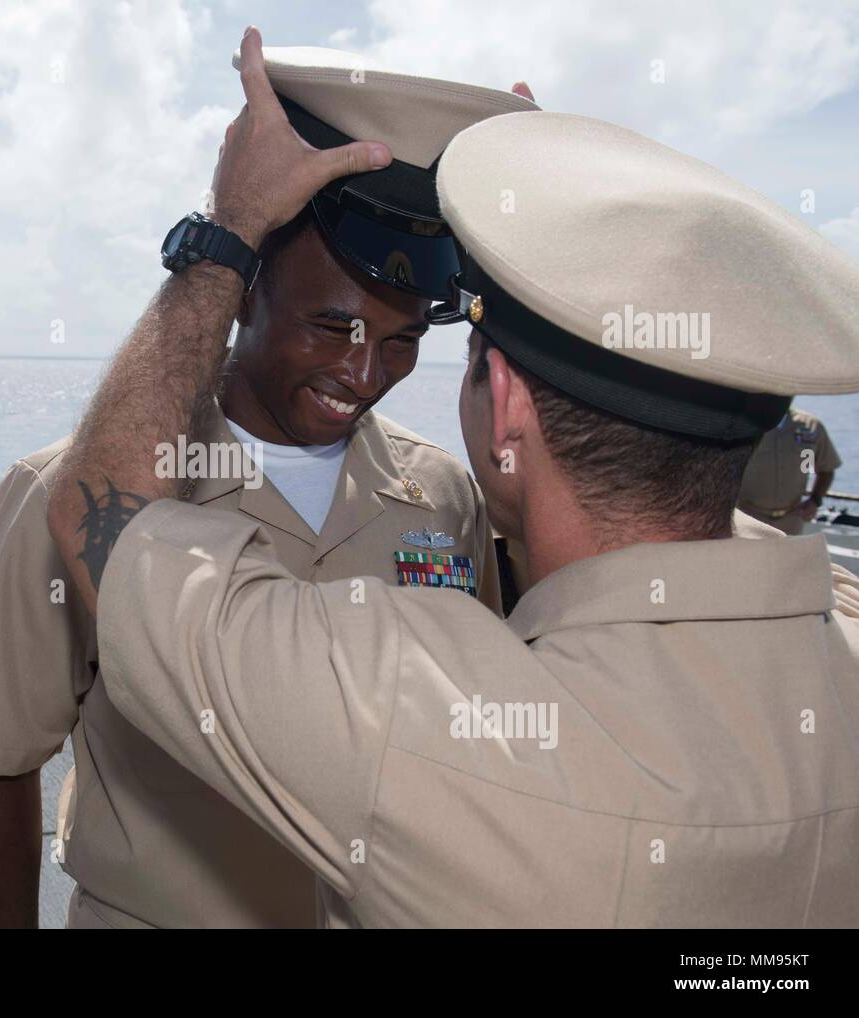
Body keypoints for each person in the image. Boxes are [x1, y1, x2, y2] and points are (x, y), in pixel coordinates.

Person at [45, 28, 859, 927]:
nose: (365, 373)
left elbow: (103, 506)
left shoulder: (405, 716)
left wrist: (225, 232)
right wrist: (552, 219)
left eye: (445, 348)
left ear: (503, 402)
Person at [0, 46, 533, 927]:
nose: (363, 373)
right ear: (243, 293)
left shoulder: (443, 497)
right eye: (332, 325)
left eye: (402, 342)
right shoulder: (70, 494)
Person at [738, 405, 843, 534]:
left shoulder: (812, 426)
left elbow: (826, 469)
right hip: (748, 520)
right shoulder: (743, 425)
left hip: (793, 520)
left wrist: (815, 500)